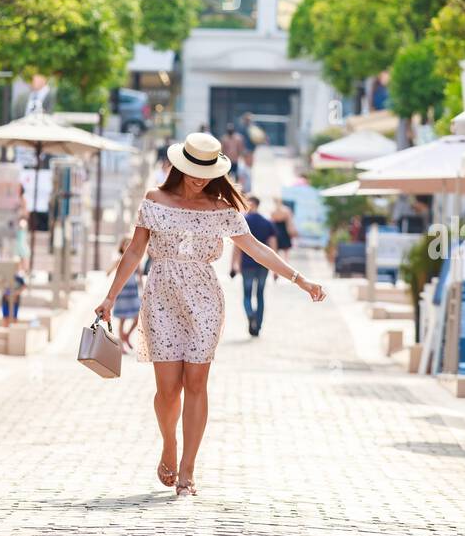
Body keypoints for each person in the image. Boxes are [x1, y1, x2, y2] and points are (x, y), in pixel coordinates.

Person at [95, 131, 327, 497]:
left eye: (205, 171)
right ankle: (168, 444)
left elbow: (256, 249)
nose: (199, 178)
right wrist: (110, 297)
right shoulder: (155, 200)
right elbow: (136, 251)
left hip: (204, 299)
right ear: (179, 166)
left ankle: (187, 468)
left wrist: (300, 279)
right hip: (161, 298)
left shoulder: (222, 209)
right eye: (192, 170)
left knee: (197, 383)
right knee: (167, 391)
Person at [235, 195, 277, 336]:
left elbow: (237, 246)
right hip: (263, 264)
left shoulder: (243, 221)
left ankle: (250, 313)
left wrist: (234, 264)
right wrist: (276, 268)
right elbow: (272, 246)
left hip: (247, 264)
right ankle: (258, 326)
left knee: (247, 294)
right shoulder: (267, 222)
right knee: (260, 294)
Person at [107, 236, 143, 354]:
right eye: (125, 244)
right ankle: (121, 345)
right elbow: (110, 271)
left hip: (133, 292)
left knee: (137, 318)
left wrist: (142, 291)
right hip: (122, 292)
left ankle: (126, 335)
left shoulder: (136, 261)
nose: (127, 246)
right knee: (122, 319)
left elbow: (139, 276)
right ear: (122, 246)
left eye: (129, 244)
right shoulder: (120, 260)